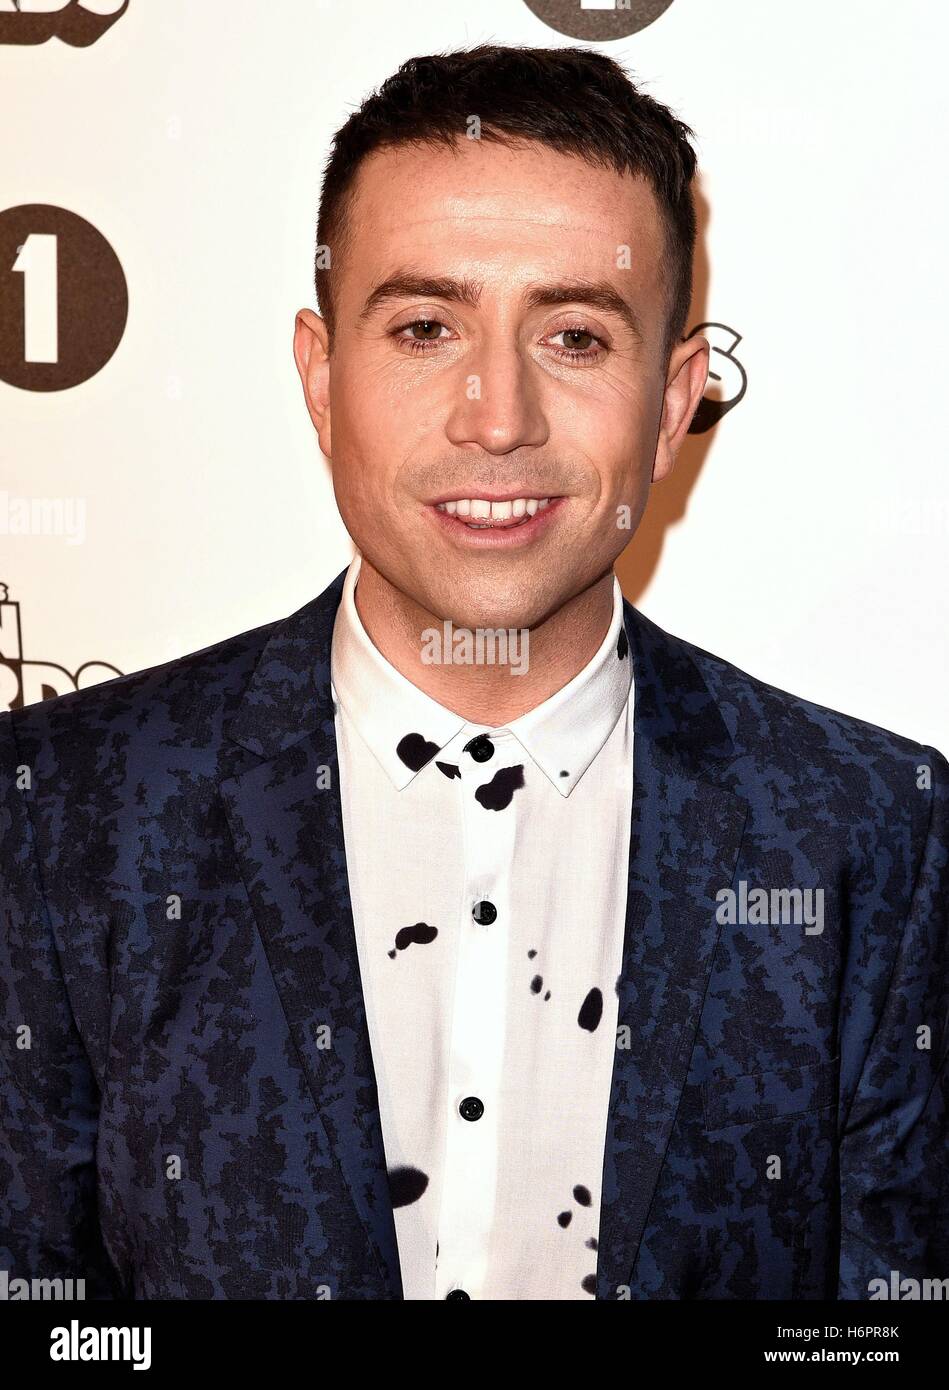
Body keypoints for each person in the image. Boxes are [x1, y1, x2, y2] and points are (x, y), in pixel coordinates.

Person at [1, 44, 946, 1302]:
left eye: (571, 333)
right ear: (322, 378)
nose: (496, 416)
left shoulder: (871, 831)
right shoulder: (58, 813)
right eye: (426, 326)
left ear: (671, 407)